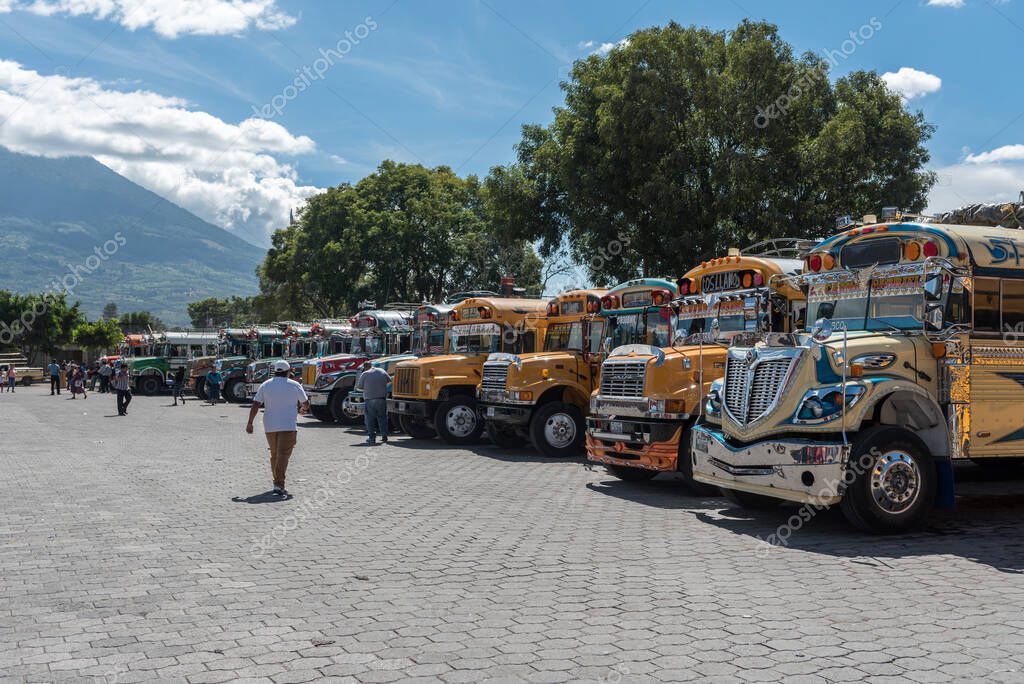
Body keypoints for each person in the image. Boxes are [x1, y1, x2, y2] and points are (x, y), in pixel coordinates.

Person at [246, 359, 310, 496]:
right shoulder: (294, 385)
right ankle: (279, 484)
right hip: (288, 426)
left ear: (274, 371)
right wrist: (303, 410)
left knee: (275, 455)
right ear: (288, 372)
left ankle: (277, 480)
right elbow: (305, 403)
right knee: (283, 455)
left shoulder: (265, 385)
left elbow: (256, 404)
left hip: (270, 426)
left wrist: (250, 422)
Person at [355, 361, 391, 445]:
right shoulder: (382, 371)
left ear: (365, 367)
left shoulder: (365, 374)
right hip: (382, 398)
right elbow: (389, 380)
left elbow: (359, 387)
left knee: (370, 419)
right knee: (382, 417)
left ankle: (372, 438)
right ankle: (384, 436)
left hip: (369, 399)